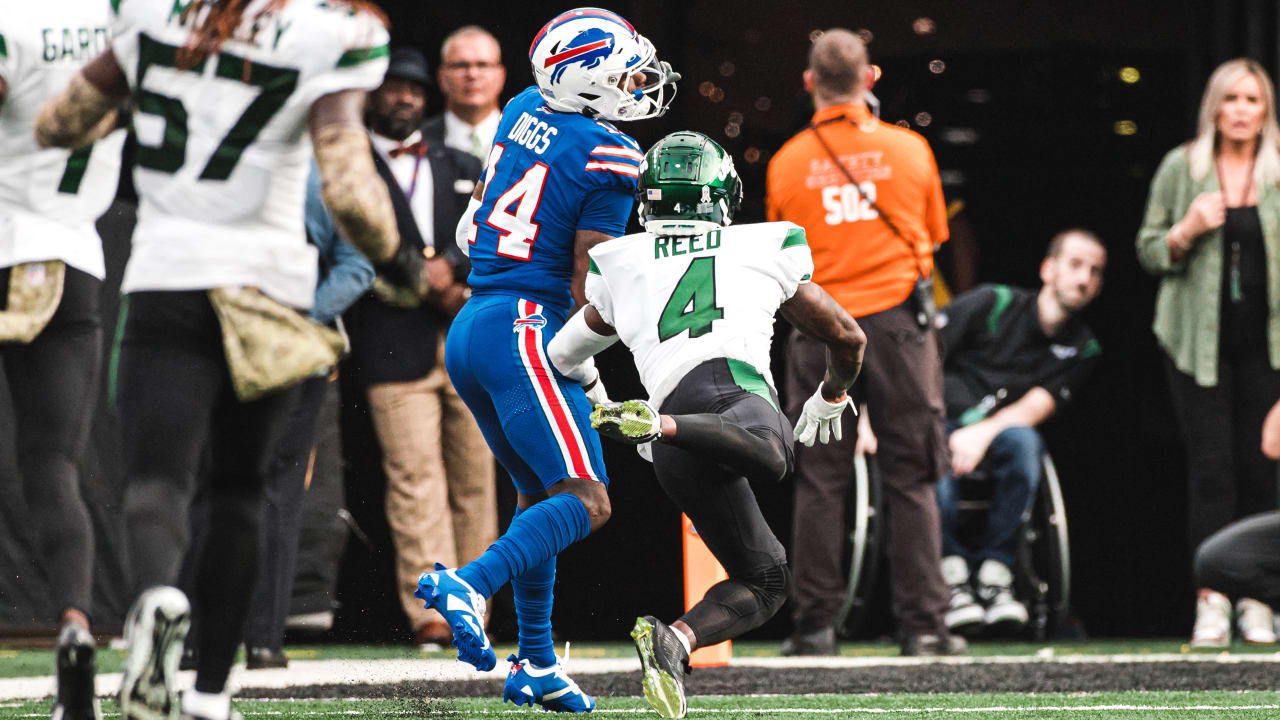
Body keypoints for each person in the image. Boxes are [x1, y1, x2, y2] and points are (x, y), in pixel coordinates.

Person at [35, 0, 426, 717]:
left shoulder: (153, 15)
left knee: (157, 480)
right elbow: (346, 180)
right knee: (241, 491)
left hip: (165, 274)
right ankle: (211, 689)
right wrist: (400, 264)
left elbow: (62, 123)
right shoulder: (329, 32)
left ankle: (156, 602)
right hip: (266, 287)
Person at [545, 131, 866, 720]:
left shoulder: (623, 262)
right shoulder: (760, 246)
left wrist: (602, 395)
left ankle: (675, 642)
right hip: (724, 400)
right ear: (721, 195)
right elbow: (848, 336)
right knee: (776, 455)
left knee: (767, 579)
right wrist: (830, 396)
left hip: (678, 435)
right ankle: (660, 423)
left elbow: (561, 355)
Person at [413, 7, 679, 713]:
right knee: (589, 500)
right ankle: (472, 581)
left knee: (542, 495)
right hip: (528, 326)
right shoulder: (612, 157)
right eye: (622, 68)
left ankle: (533, 659)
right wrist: (591, 371)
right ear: (586, 81)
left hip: (474, 324)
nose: (635, 80)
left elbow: (477, 221)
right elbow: (590, 286)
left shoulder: (526, 104)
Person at [765, 28, 960, 657]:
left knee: (821, 479)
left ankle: (815, 627)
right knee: (913, 474)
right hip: (900, 328)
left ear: (808, 83)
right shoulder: (911, 151)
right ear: (870, 79)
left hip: (819, 326)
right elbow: (932, 242)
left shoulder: (787, 162)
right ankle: (925, 626)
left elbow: (779, 259)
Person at [340, 46, 492, 650]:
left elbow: (487, 224)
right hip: (392, 345)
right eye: (392, 88)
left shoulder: (458, 158)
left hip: (466, 338)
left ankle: (475, 597)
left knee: (478, 476)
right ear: (373, 96)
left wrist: (450, 273)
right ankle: (433, 610)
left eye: (414, 89)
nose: (403, 97)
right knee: (415, 479)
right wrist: (423, 281)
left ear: (427, 100)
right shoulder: (350, 166)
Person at [0, 4, 124, 718]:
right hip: (75, 250)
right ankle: (75, 621)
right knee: (53, 463)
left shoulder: (17, 19)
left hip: (9, 238)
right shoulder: (125, 22)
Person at [1136, 58, 1280, 648]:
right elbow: (1148, 251)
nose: (1242, 110)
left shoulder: (1277, 172)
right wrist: (1187, 229)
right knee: (1212, 473)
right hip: (1197, 346)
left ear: (1266, 109)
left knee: (1264, 470)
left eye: (1253, 99)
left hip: (1267, 351)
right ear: (1214, 107)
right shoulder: (1182, 166)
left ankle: (1260, 601)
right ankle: (1213, 601)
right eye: (1232, 99)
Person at [934, 230, 1106, 635]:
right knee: (925, 447)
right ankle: (951, 574)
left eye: (1096, 272)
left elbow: (1037, 407)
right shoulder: (994, 302)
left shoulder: (1083, 347)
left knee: (1027, 443)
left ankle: (997, 573)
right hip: (940, 419)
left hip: (997, 433)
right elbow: (923, 356)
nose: (1085, 278)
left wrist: (980, 434)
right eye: (1076, 265)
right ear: (1048, 269)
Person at [423, 26, 505, 161]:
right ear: (441, 77)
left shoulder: (527, 141)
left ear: (501, 76)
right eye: (461, 65)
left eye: (483, 65)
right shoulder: (417, 141)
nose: (472, 74)